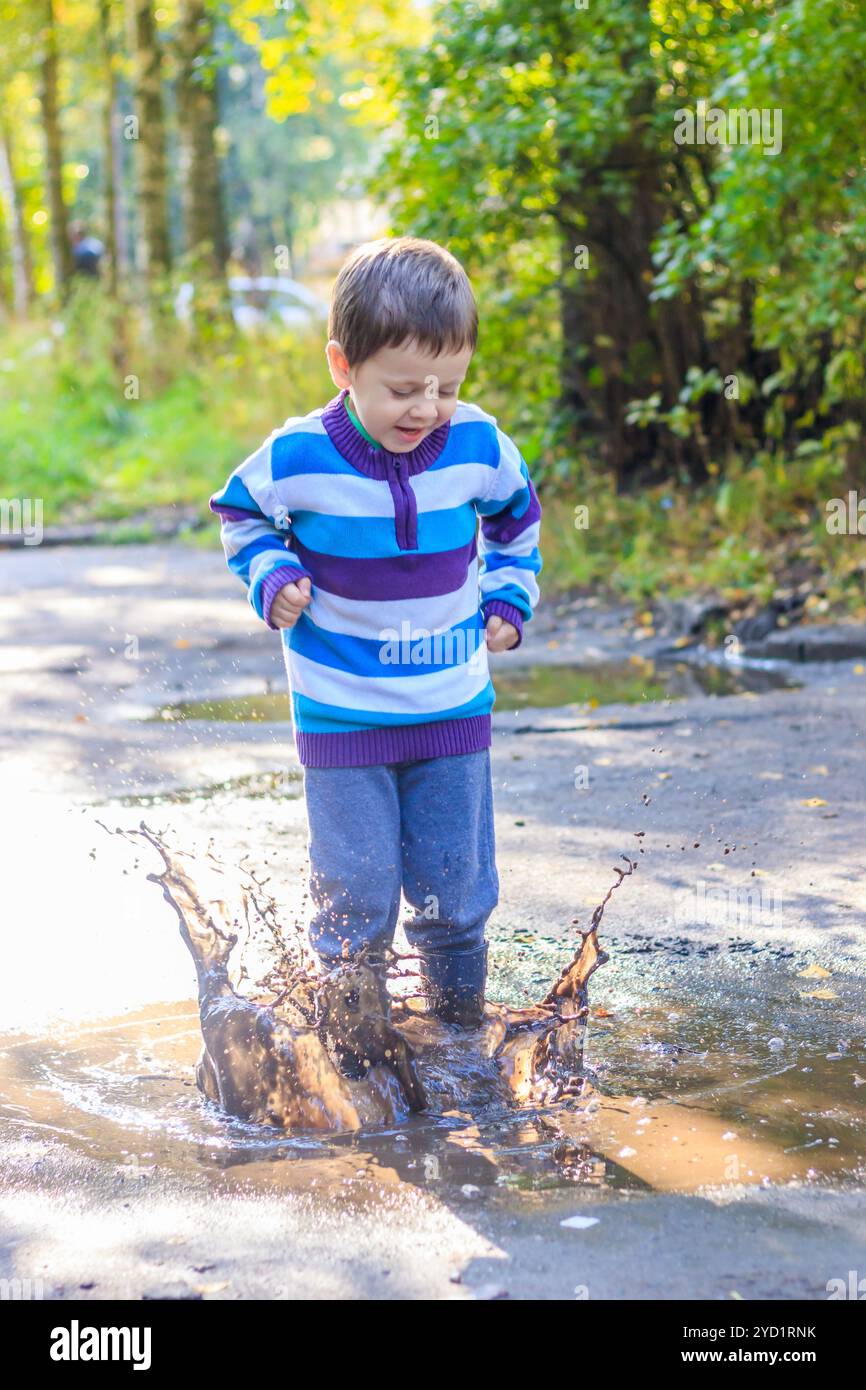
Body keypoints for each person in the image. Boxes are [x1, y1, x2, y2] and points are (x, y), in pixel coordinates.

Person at [209, 236, 543, 1038]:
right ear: (342, 366)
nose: (426, 408)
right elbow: (239, 512)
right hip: (341, 713)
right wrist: (271, 572)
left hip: (452, 707)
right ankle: (354, 1048)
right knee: (355, 896)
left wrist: (508, 594)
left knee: (454, 891)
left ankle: (459, 1037)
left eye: (447, 387)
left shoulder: (479, 445)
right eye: (402, 389)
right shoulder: (297, 455)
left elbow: (517, 523)